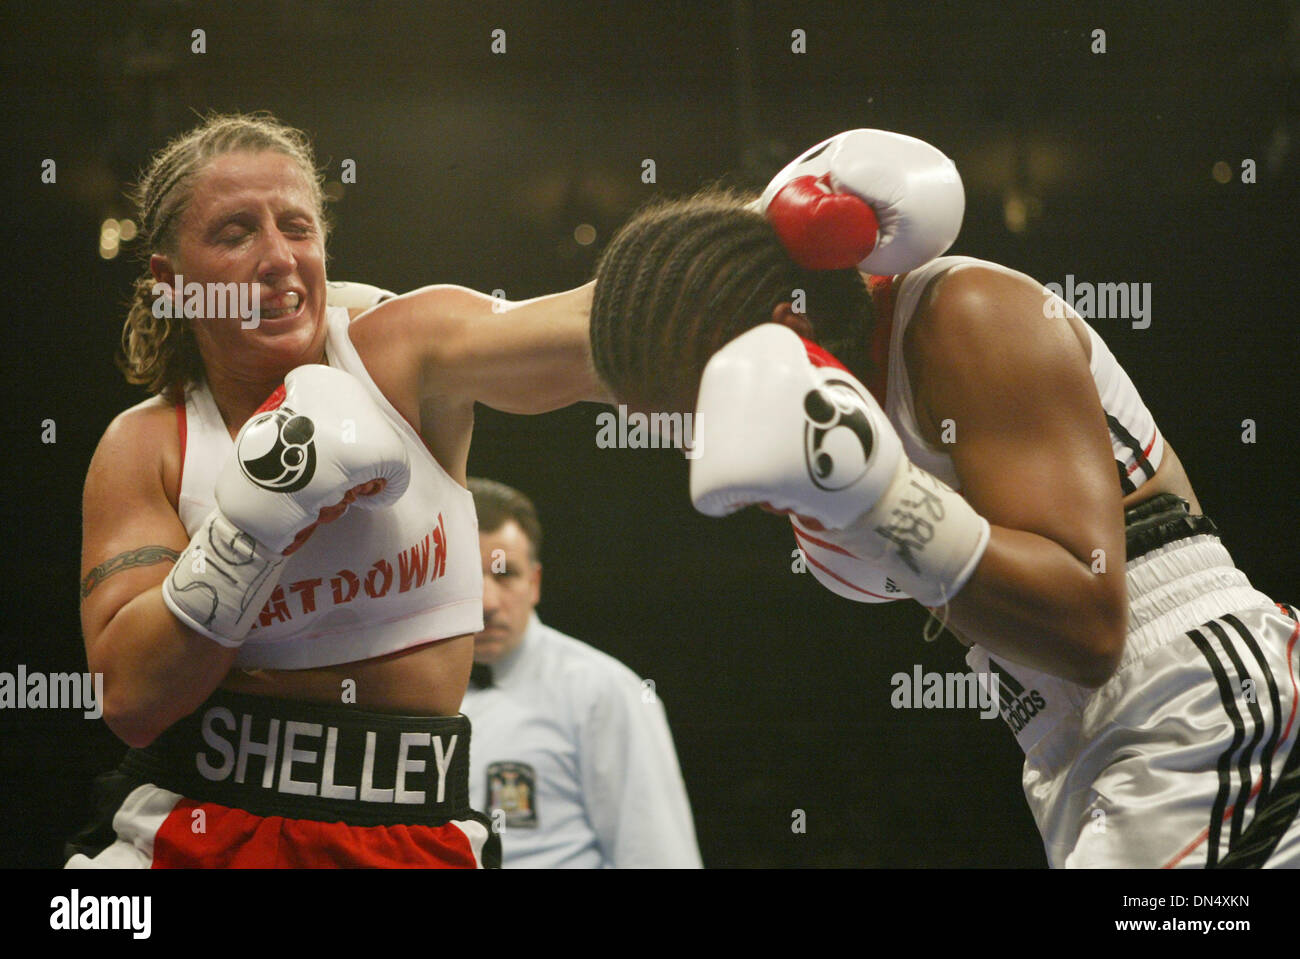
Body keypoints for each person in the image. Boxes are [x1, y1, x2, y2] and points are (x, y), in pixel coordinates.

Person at [586, 129, 1300, 868]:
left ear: (787, 333)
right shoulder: (817, 443)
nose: (703, 448)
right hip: (1068, 743)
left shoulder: (965, 313)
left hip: (1196, 697)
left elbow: (1089, 628)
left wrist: (879, 499)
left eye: (694, 414)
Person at [67, 111, 605, 868]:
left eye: (296, 225)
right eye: (234, 232)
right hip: (192, 828)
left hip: (414, 835)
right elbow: (131, 698)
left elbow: (589, 329)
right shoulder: (149, 444)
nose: (279, 258)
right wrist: (253, 526)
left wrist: (756, 243)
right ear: (172, 282)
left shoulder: (403, 353)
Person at [459, 478, 702, 868]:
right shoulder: (404, 694)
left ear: (534, 583)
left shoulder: (603, 691)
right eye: (468, 578)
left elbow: (657, 855)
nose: (488, 603)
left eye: (505, 575)